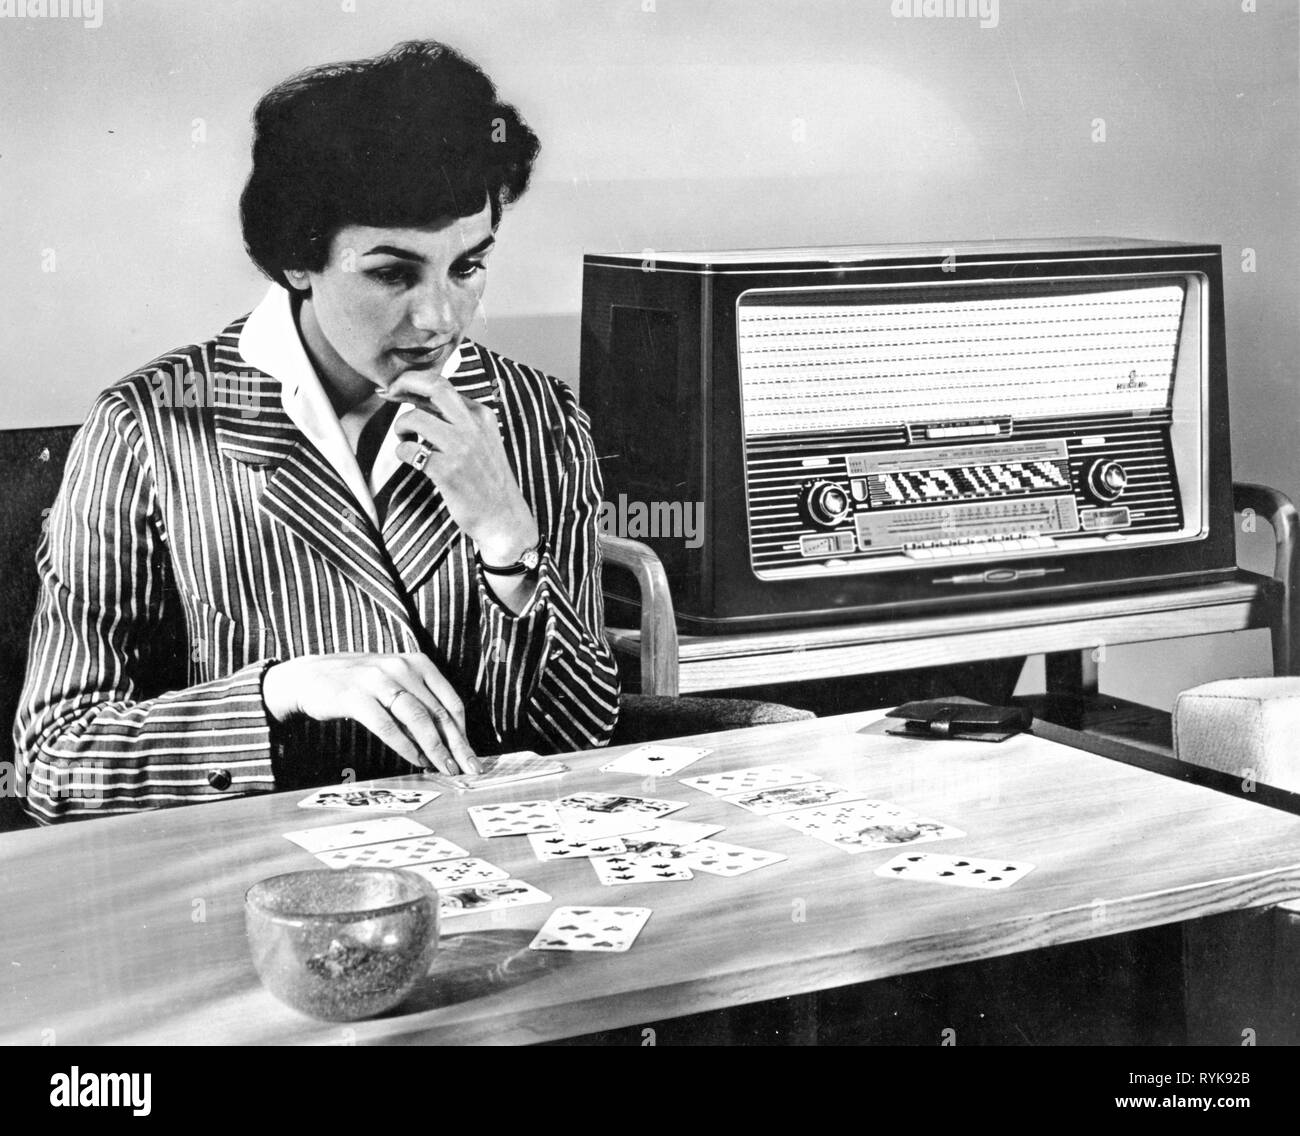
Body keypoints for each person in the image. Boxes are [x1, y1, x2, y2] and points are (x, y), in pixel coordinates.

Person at [14, 40, 621, 822]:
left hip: (487, 877)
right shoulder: (149, 427)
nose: (440, 318)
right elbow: (57, 765)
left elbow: (586, 739)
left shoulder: (540, 418)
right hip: (259, 893)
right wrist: (283, 690)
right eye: (393, 273)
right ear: (298, 261)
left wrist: (509, 542)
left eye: (467, 268)